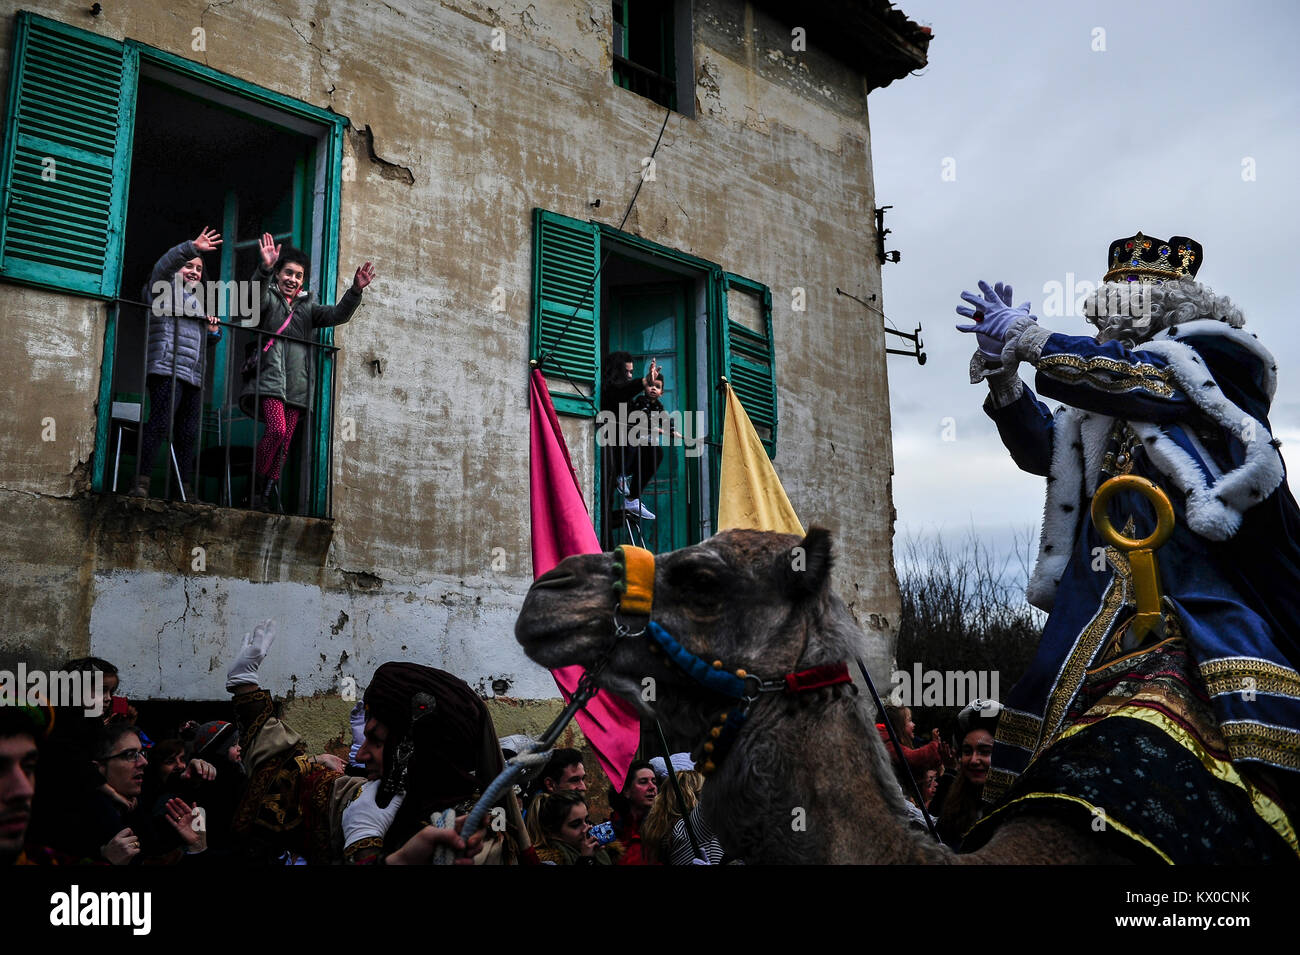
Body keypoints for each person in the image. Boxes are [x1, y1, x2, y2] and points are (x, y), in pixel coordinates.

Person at [957, 233, 1300, 826]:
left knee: (1248, 681)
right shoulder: (1103, 392)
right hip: (1097, 594)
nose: (1108, 315)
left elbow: (1139, 381)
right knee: (1042, 687)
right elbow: (1044, 447)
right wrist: (1005, 375)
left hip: (1198, 577)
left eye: (1124, 302)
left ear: (1168, 304)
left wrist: (1034, 340)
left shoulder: (1212, 357)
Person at [239, 233, 376, 510]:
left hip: (298, 385)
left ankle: (264, 496)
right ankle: (253, 487)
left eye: (298, 276)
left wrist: (355, 291)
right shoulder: (268, 300)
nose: (293, 279)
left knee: (286, 442)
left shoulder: (307, 308)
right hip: (270, 378)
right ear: (278, 274)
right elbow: (252, 298)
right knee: (276, 431)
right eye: (288, 272)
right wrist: (264, 268)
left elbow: (338, 315)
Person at [132, 228, 224, 500]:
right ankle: (141, 482)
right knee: (159, 424)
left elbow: (200, 341)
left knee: (187, 434)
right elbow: (163, 264)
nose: (194, 271)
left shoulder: (197, 302)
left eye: (198, 268)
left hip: (193, 376)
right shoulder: (161, 288)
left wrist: (213, 332)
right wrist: (191, 247)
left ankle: (183, 489)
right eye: (188, 266)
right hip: (166, 367)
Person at [600, 351, 661, 520]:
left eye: (631, 372)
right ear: (616, 372)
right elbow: (620, 392)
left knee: (654, 451)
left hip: (627, 452)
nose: (628, 376)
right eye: (625, 372)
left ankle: (632, 499)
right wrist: (644, 381)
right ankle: (620, 478)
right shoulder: (608, 390)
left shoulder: (628, 397)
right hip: (613, 452)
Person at [934, 701, 999, 850]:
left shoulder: (1016, 810)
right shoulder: (953, 806)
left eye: (984, 751)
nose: (974, 760)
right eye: (967, 751)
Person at [533, 790, 613, 865]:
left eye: (586, 820)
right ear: (553, 832)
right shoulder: (549, 861)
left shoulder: (600, 850)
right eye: (575, 825)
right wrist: (585, 860)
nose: (586, 828)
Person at [607, 758, 657, 865]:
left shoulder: (662, 828)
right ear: (626, 791)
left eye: (654, 781)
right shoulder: (606, 831)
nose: (652, 787)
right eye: (643, 782)